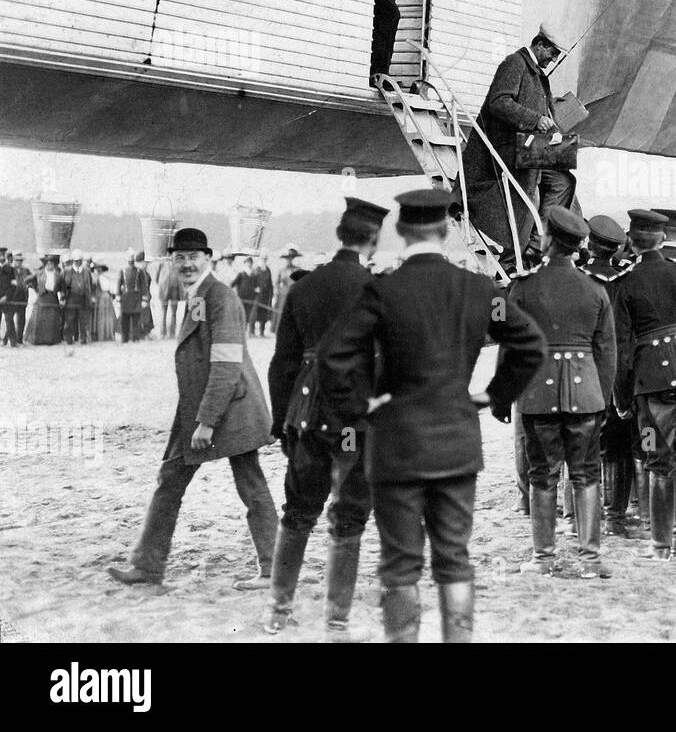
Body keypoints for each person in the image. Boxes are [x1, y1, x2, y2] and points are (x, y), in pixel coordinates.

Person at [319, 189, 545, 643]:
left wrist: (361, 407)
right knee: (455, 558)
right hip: (457, 442)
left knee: (400, 564)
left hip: (397, 445)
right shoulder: (482, 291)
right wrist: (491, 397)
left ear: (401, 231)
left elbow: (333, 355)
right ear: (445, 232)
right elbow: (530, 345)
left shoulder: (380, 291)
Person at [251, 197, 390, 638]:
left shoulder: (302, 287)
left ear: (340, 236)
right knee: (348, 517)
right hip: (354, 424)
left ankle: (278, 610)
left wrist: (281, 422)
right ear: (372, 239)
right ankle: (336, 621)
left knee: (298, 510)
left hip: (307, 416)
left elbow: (282, 364)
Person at [108, 228, 279, 587]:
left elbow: (226, 364)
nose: (186, 264)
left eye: (193, 257)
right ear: (172, 261)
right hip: (202, 407)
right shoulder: (201, 295)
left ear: (208, 259)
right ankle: (147, 567)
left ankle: (274, 569)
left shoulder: (221, 296)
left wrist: (206, 421)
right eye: (179, 258)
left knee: (250, 485)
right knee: (170, 481)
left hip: (228, 409)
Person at [506, 208, 617, 578]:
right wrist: (601, 397)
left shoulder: (523, 287)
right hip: (586, 394)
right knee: (586, 474)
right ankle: (590, 558)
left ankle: (543, 558)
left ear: (548, 239)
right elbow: (607, 351)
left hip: (538, 394)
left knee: (542, 475)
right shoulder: (596, 289)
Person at [611, 209, 676, 560]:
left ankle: (660, 543)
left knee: (656, 456)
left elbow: (622, 349)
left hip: (650, 381)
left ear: (631, 240)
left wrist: (622, 397)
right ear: (660, 238)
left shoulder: (623, 283)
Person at [458, 25, 576, 272]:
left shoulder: (536, 73)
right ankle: (513, 259)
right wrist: (535, 119)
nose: (553, 59)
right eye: (552, 53)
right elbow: (498, 102)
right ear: (540, 44)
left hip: (532, 149)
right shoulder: (514, 63)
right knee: (527, 197)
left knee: (563, 182)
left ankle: (536, 246)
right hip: (510, 149)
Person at [581, 215, 638, 536]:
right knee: (620, 446)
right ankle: (615, 516)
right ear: (616, 249)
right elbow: (623, 339)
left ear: (588, 243)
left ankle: (579, 518)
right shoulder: (622, 279)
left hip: (580, 373)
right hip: (614, 371)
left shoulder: (577, 279)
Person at [26, 254, 63, 345]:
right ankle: (38, 340)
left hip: (52, 297)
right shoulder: (39, 273)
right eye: (48, 264)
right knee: (40, 318)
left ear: (54, 265)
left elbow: (63, 287)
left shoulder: (58, 275)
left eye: (52, 264)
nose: (50, 266)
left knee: (51, 319)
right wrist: (37, 289)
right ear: (45, 264)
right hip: (42, 297)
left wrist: (62, 297)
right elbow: (29, 281)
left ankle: (50, 340)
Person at [118, 251, 150, 343]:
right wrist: (118, 296)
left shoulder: (139, 271)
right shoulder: (123, 271)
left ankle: (135, 338)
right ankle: (125, 338)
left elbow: (143, 285)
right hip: (126, 297)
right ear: (127, 262)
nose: (131, 263)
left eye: (132, 261)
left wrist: (144, 298)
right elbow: (118, 284)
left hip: (136, 297)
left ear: (134, 261)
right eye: (129, 261)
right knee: (125, 320)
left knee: (136, 319)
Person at [1, 252, 28, 346]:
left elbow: (31, 280)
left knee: (19, 319)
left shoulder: (25, 270)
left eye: (20, 261)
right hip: (12, 298)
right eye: (17, 260)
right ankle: (6, 339)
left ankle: (18, 340)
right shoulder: (9, 270)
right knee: (10, 320)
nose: (18, 262)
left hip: (21, 298)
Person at [271, 247, 300, 332]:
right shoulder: (282, 270)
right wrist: (276, 290)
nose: (289, 260)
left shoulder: (297, 269)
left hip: (294, 293)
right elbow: (276, 282)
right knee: (281, 311)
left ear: (293, 259)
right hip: (283, 294)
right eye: (287, 259)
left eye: (291, 258)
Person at [91, 263, 118, 342]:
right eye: (96, 269)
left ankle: (107, 334)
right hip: (99, 298)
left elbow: (109, 289)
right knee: (100, 317)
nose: (98, 271)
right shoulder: (95, 279)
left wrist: (112, 294)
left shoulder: (105, 278)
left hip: (106, 298)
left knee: (107, 316)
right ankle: (100, 335)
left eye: (100, 269)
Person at [251, 255, 274, 337]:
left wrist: (271, 294)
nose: (264, 260)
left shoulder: (267, 270)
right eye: (263, 258)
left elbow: (270, 283)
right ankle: (252, 332)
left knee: (263, 314)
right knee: (254, 314)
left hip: (265, 296)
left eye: (265, 259)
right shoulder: (256, 269)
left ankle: (261, 332)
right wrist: (254, 288)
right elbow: (252, 282)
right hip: (257, 296)